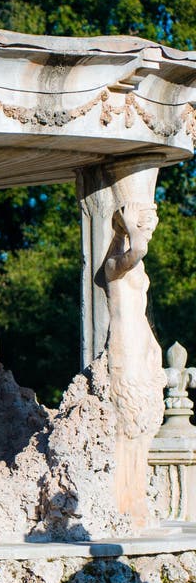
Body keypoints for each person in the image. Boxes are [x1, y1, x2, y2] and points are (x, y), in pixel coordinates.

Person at [103, 201, 165, 525]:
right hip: (125, 350)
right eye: (147, 227)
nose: (149, 234)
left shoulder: (136, 267)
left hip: (143, 353)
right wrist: (129, 225)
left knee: (144, 429)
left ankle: (137, 498)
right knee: (126, 428)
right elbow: (136, 250)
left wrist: (154, 349)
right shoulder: (115, 264)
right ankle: (124, 500)